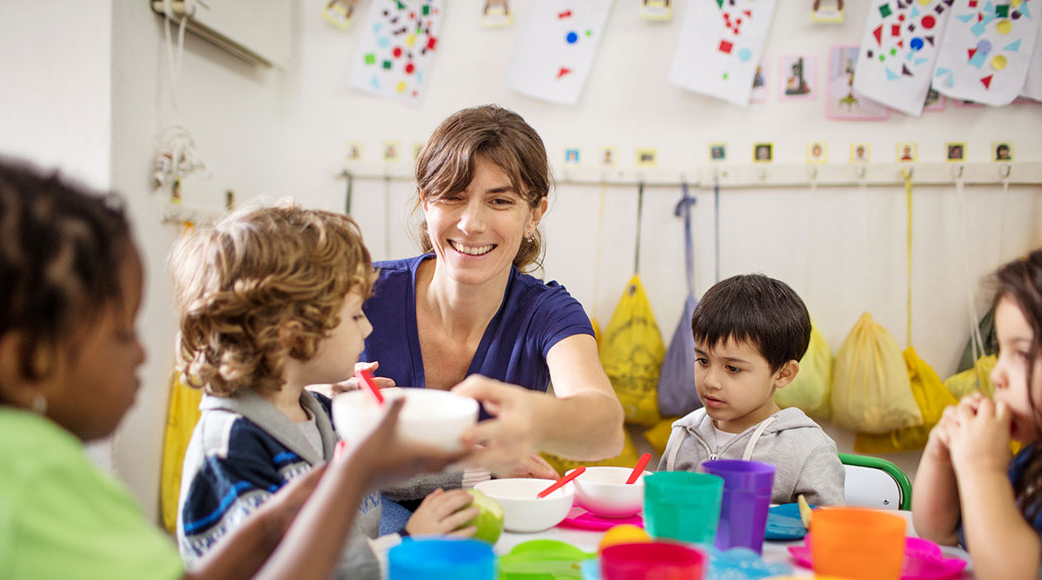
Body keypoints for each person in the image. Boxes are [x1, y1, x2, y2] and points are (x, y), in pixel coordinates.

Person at [0, 153, 463, 580]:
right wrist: (402, 543)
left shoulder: (315, 411)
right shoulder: (33, 478)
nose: (146, 354)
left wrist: (467, 470)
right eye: (122, 333)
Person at [332, 105, 623, 518]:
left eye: (500, 201)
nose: (471, 223)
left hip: (479, 524)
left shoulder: (549, 313)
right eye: (453, 197)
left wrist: (538, 418)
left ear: (534, 215)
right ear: (425, 203)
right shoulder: (361, 292)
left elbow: (607, 429)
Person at [173, 204, 478, 577]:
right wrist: (406, 542)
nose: (367, 329)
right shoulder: (230, 452)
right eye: (354, 315)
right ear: (290, 332)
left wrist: (482, 469)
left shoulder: (314, 409)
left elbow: (380, 470)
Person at [912, 247, 1042, 579]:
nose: (997, 374)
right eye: (1001, 351)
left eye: (1023, 354)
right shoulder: (1030, 463)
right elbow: (939, 532)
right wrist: (941, 455)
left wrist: (982, 469)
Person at [658, 274, 845, 506]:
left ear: (783, 374)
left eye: (733, 368)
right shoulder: (683, 434)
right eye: (703, 361)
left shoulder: (808, 450)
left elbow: (824, 530)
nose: (711, 381)